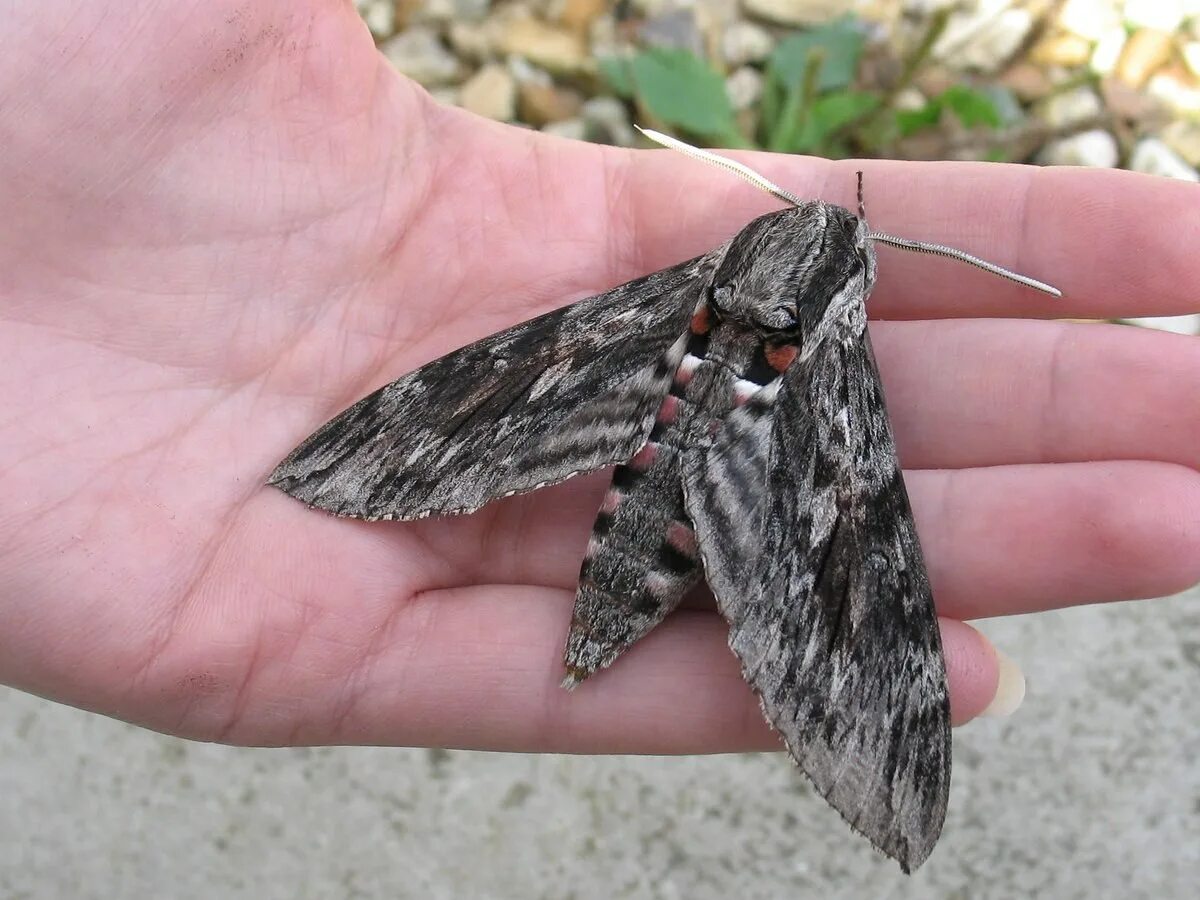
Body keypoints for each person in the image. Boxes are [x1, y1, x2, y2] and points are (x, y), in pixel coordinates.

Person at [0, 2, 1196, 753]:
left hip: (653, 414)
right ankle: (853, 721)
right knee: (847, 545)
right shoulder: (837, 362)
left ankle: (830, 720)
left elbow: (487, 390)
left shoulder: (671, 291)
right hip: (706, 477)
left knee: (479, 412)